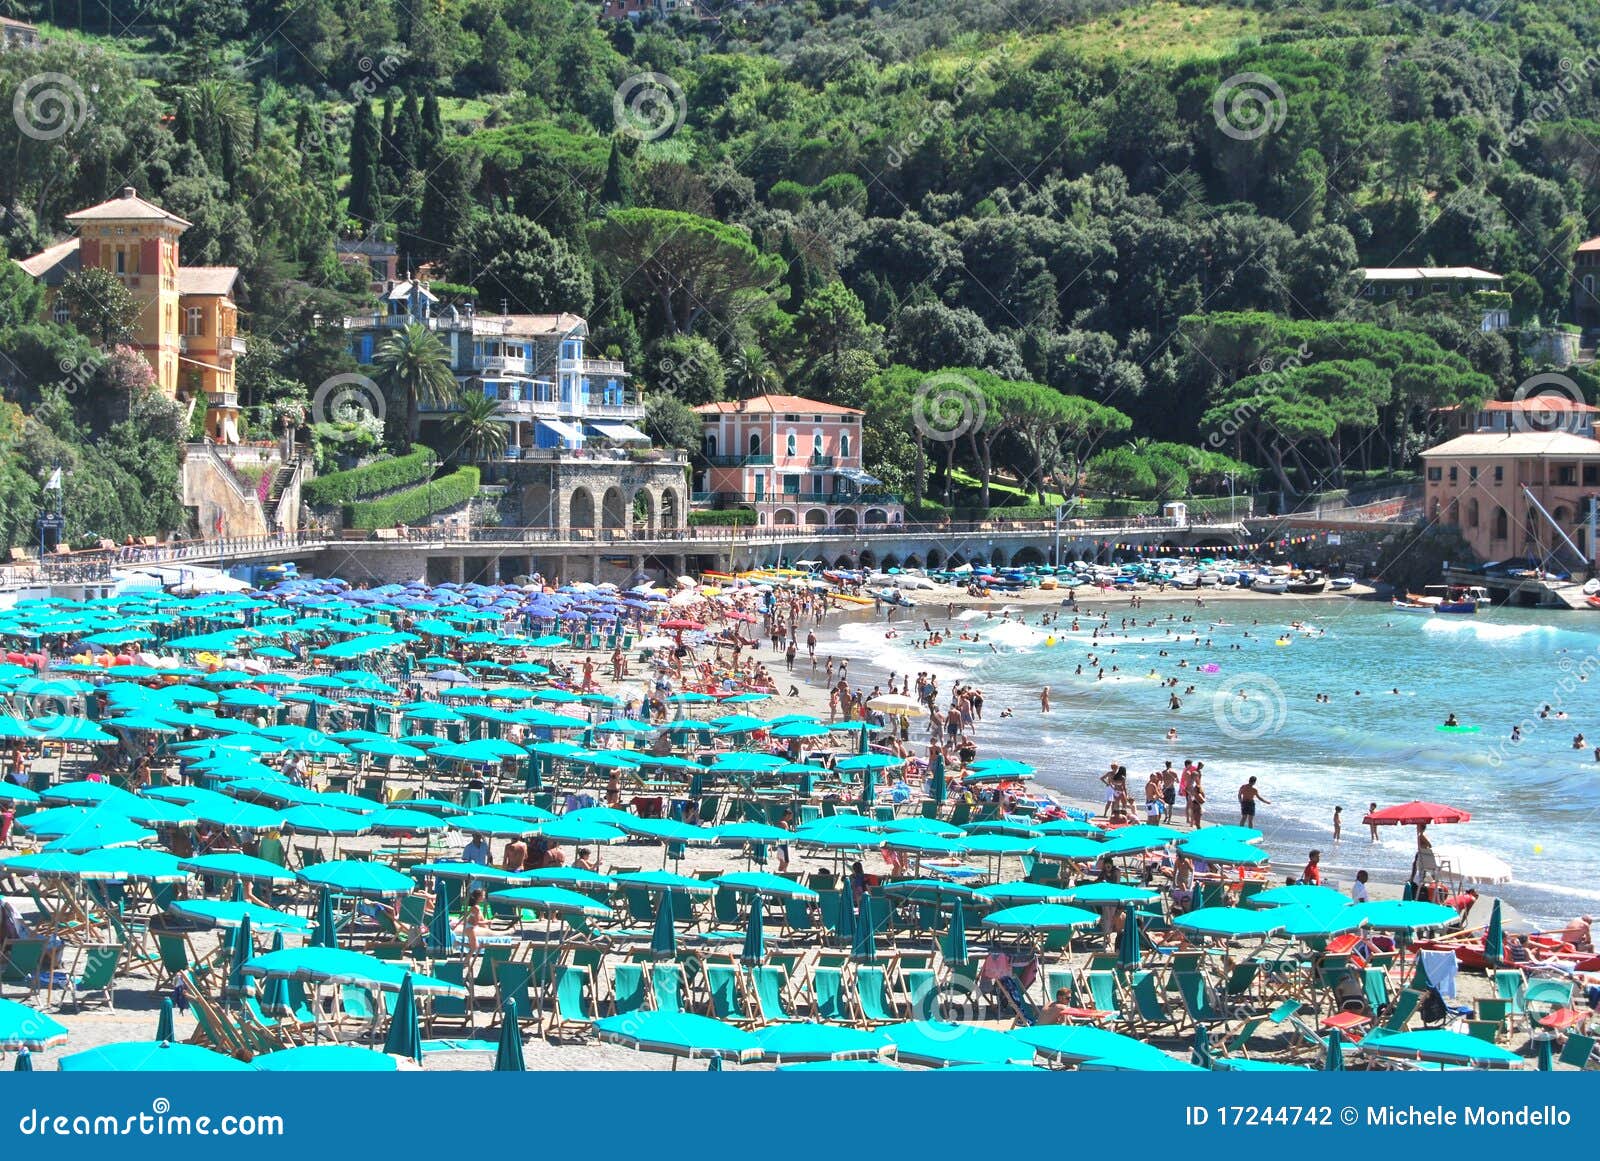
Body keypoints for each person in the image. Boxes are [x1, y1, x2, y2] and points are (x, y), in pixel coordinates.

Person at [458, 887, 491, 953]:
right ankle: (458, 943)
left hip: (468, 927)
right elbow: (477, 923)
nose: (484, 897)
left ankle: (466, 961)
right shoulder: (476, 908)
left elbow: (465, 915)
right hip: (470, 928)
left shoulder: (474, 906)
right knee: (474, 947)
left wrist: (457, 924)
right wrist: (488, 921)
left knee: (473, 947)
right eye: (483, 895)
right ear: (479, 897)